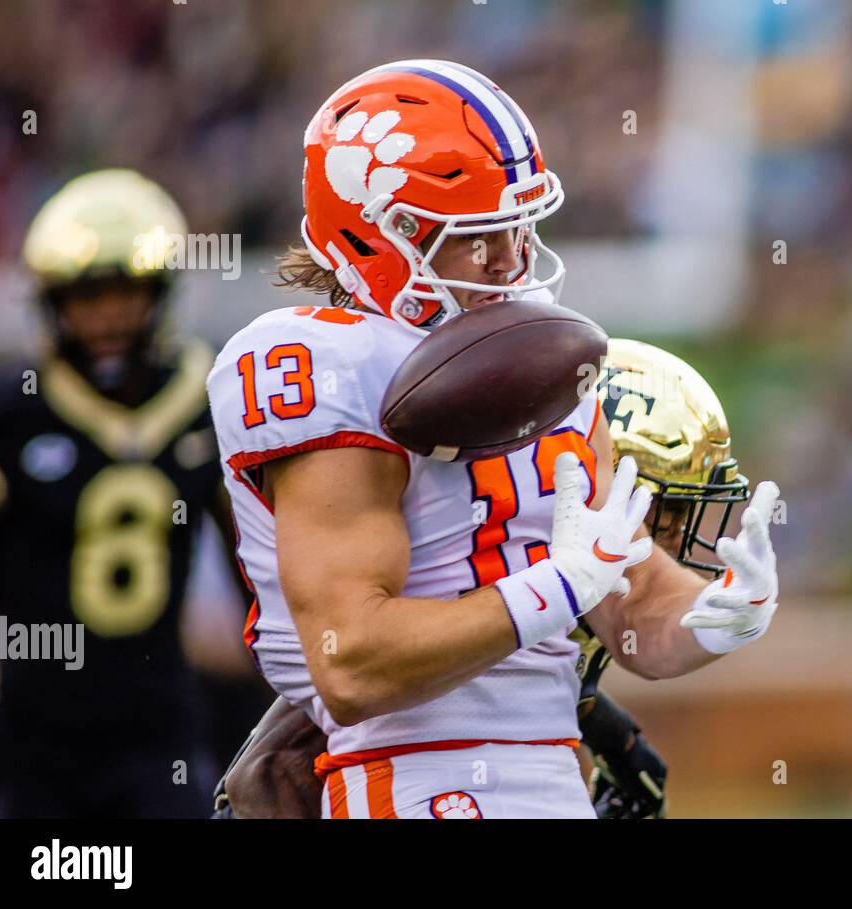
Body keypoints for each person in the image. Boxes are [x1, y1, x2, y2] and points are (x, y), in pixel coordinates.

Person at [205, 60, 781, 818]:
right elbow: (352, 663)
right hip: (406, 775)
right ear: (386, 233)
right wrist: (553, 589)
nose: (512, 257)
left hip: (545, 773)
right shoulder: (325, 364)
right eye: (478, 235)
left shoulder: (537, 357)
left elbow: (632, 604)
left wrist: (718, 614)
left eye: (519, 224)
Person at [212, 337, 753, 819]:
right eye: (666, 512)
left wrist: (617, 738)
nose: (676, 537)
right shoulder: (482, 578)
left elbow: (547, 688)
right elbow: (339, 707)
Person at [0, 170, 238, 817]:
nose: (106, 316)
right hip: (30, 744)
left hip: (160, 734)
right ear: (51, 302)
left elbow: (257, 567)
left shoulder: (209, 400)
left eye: (125, 293)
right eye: (86, 297)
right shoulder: (9, 414)